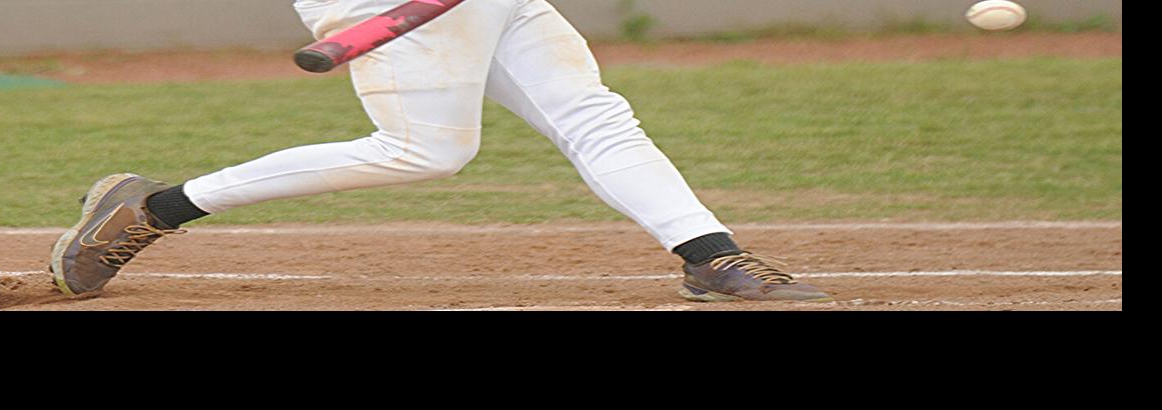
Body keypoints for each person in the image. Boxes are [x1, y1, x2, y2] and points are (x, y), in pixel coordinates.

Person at [49, 0, 833, 303]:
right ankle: (151, 208)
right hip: (391, 2)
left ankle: (711, 255)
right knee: (425, 153)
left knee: (595, 117)